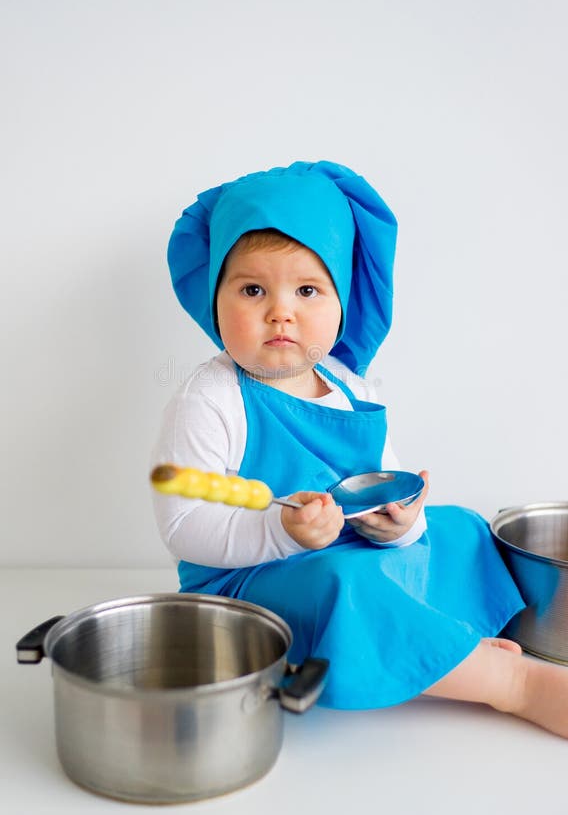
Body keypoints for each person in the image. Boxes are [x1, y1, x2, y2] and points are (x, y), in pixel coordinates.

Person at [152, 159, 568, 737]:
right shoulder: (212, 396)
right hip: (251, 582)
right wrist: (280, 534)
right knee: (348, 586)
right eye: (252, 289)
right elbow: (183, 522)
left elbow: (386, 485)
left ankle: (454, 640)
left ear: (341, 300)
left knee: (461, 528)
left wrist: (401, 524)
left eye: (307, 289)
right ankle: (508, 684)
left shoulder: (348, 386)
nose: (281, 311)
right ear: (213, 300)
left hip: (347, 549)